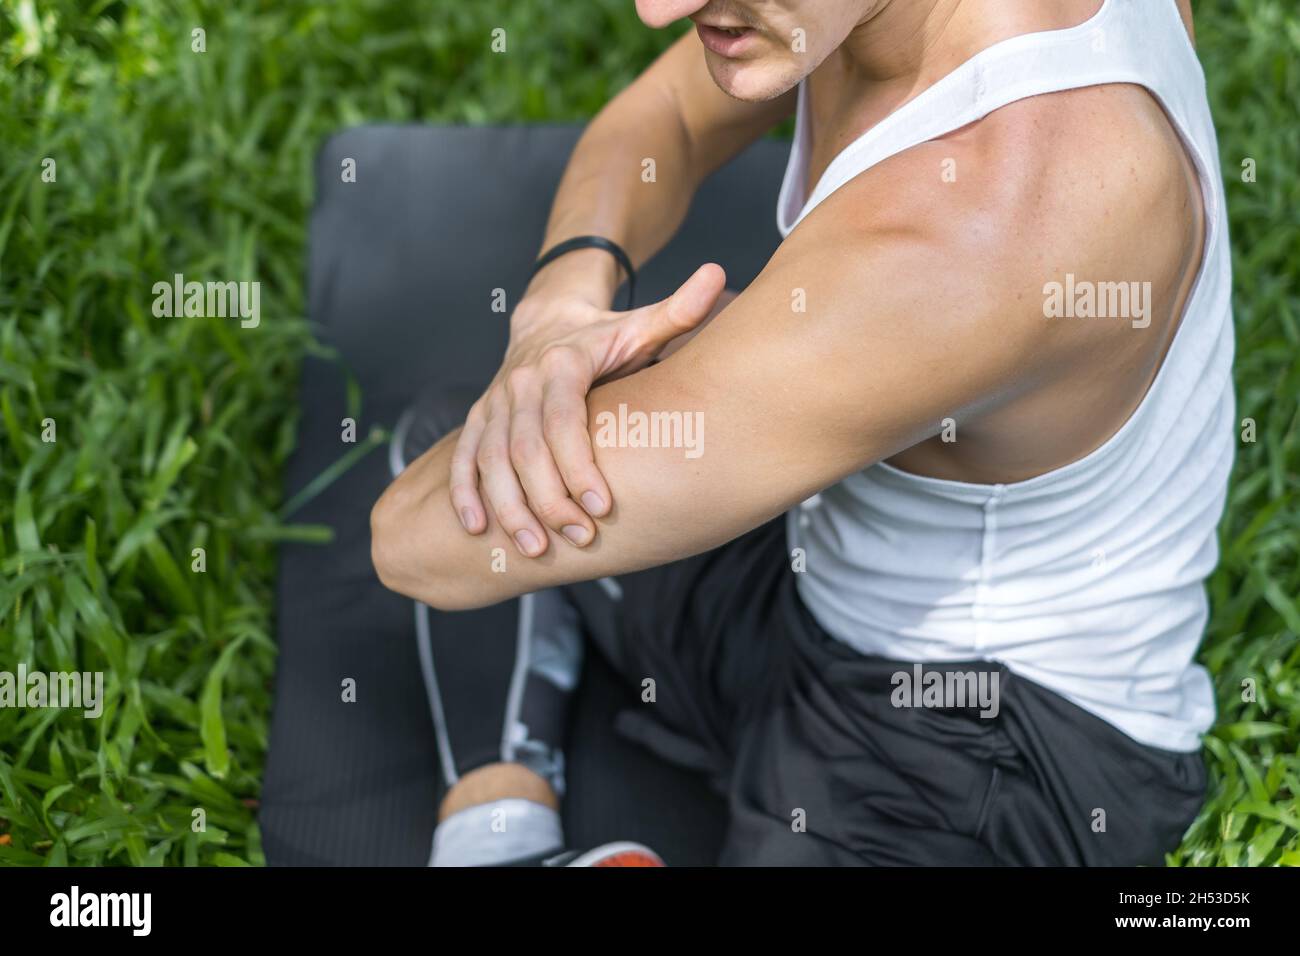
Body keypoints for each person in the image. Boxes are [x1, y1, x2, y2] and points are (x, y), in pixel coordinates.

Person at [371, 0, 1229, 866]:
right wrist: (559, 307)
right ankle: (502, 829)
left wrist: (715, 357)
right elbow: (661, 118)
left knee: (470, 487)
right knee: (466, 435)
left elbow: (414, 540)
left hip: (991, 746)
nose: (655, 8)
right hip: (805, 580)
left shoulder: (987, 217)